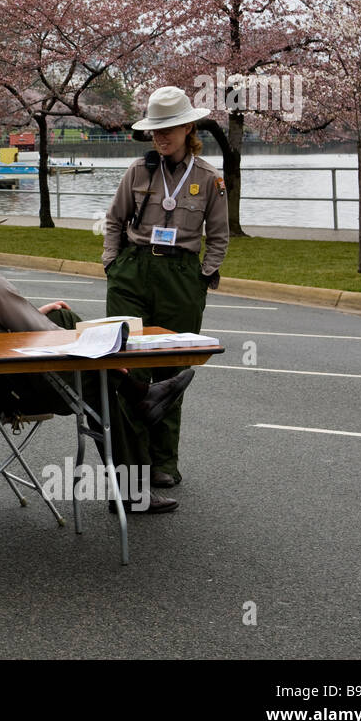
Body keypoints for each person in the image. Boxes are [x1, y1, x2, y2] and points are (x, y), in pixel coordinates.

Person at [0, 199, 193, 512]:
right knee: (99, 381)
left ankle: (140, 396)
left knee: (62, 317)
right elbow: (48, 335)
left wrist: (37, 315)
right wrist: (108, 357)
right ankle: (133, 482)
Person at [102, 86, 229, 492]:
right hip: (133, 272)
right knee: (127, 369)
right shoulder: (138, 171)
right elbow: (114, 222)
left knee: (172, 371)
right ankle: (134, 467)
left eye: (169, 128)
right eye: (156, 130)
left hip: (180, 278)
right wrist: (111, 264)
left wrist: (202, 277)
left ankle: (163, 464)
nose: (161, 137)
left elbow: (220, 237)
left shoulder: (210, 179)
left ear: (188, 127)